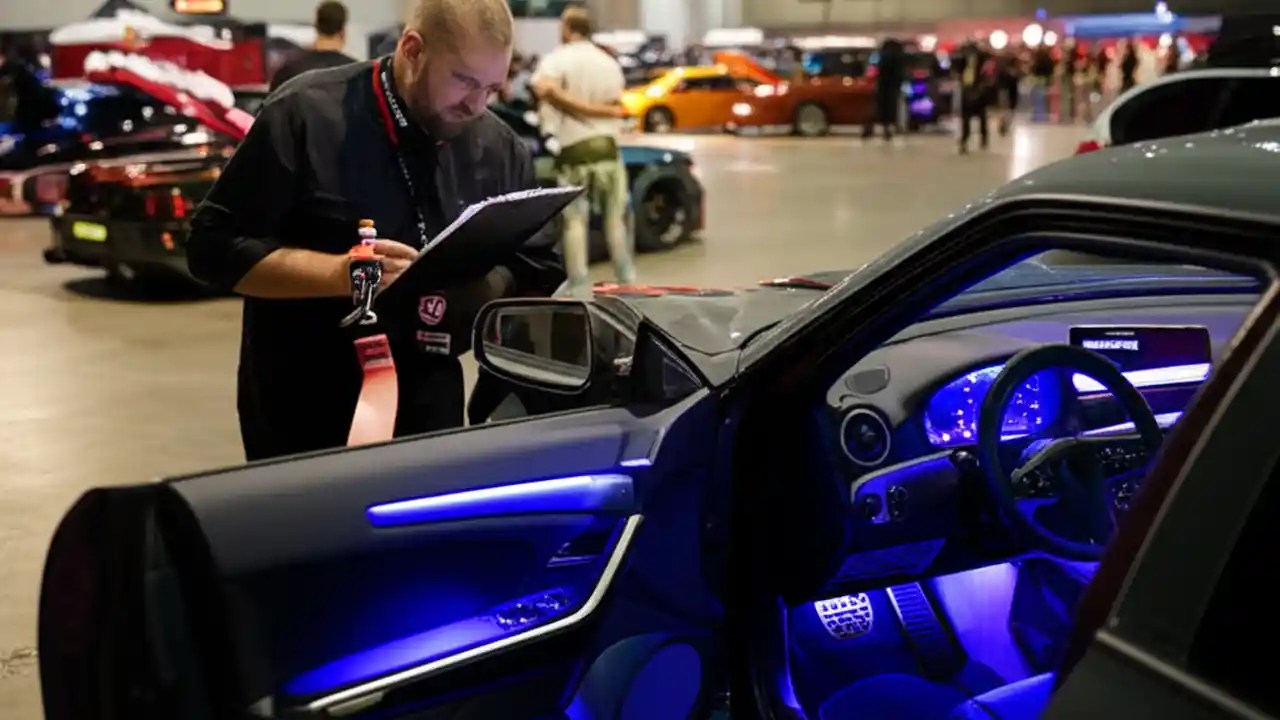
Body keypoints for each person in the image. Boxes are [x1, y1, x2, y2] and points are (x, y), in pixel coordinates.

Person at [187, 0, 565, 461]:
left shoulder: (498, 147)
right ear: (412, 49)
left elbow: (540, 264)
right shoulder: (305, 115)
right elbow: (211, 248)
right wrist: (341, 275)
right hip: (304, 407)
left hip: (429, 407)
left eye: (491, 87)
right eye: (464, 81)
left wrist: (479, 287)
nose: (476, 105)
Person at [531, 7, 635, 298]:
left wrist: (575, 107)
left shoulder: (557, 59)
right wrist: (599, 111)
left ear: (567, 28)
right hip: (608, 149)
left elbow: (543, 89)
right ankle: (626, 278)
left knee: (575, 220)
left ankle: (578, 282)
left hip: (573, 150)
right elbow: (616, 104)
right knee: (616, 217)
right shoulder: (608, 62)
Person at [269, 1, 358, 91]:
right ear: (343, 31)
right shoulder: (357, 73)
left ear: (316, 25)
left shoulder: (289, 70)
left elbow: (270, 103)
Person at [955, 40, 995, 154]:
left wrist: (982, 87)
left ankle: (983, 137)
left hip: (979, 90)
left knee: (982, 117)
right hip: (966, 90)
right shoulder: (962, 61)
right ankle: (964, 140)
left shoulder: (983, 61)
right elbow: (958, 72)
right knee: (965, 118)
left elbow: (988, 75)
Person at [862, 37, 904, 144]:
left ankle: (869, 129)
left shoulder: (882, 57)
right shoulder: (897, 58)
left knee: (877, 108)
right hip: (892, 87)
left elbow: (877, 71)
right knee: (889, 109)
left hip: (882, 85)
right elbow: (899, 73)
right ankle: (886, 130)